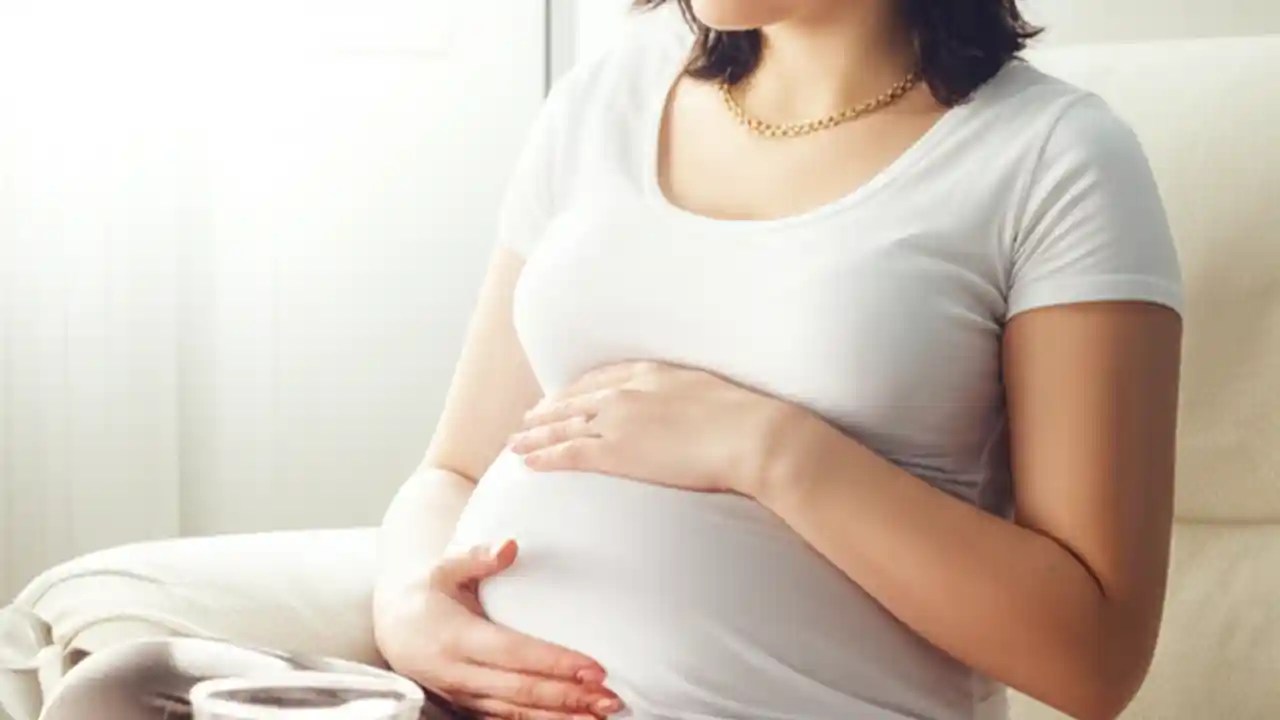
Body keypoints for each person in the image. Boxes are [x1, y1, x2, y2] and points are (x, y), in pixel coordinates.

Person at [42, 1, 1183, 719]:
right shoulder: (602, 99)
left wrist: (766, 448)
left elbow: (1092, 661)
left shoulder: (1052, 159)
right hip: (477, 704)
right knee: (126, 692)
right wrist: (410, 605)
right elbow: (450, 469)